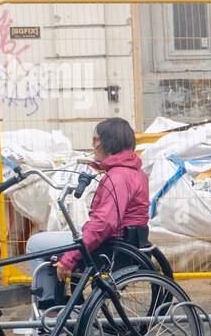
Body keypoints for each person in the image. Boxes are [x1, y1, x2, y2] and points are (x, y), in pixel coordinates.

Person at [55, 117, 149, 281]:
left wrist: (69, 258)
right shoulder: (134, 171)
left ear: (109, 142)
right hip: (127, 239)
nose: (93, 145)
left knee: (37, 244)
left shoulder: (118, 177)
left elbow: (104, 223)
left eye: (96, 139)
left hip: (112, 243)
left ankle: (49, 304)